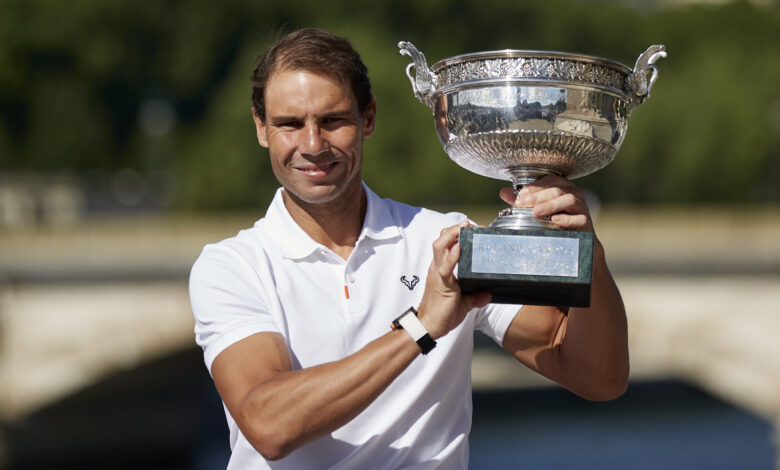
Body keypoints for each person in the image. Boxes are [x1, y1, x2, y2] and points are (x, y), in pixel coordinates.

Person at [189, 27, 628, 470]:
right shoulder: (232, 266)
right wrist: (421, 327)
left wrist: (589, 255)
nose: (313, 145)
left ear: (369, 119)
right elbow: (269, 426)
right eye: (290, 124)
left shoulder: (445, 239)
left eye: (333, 120)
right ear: (261, 128)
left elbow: (600, 378)